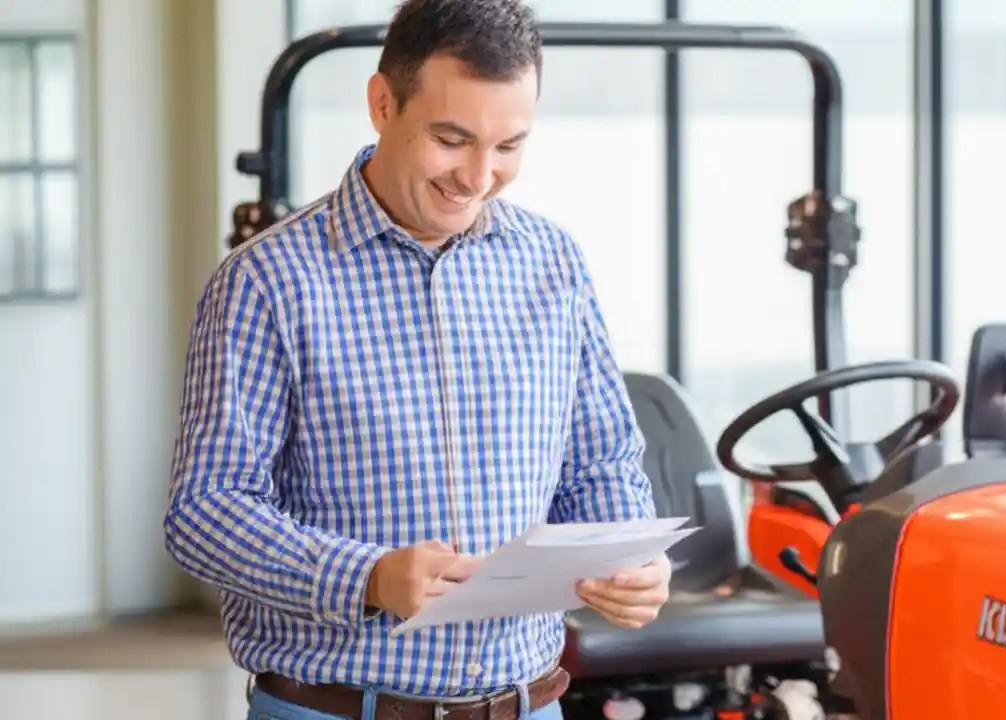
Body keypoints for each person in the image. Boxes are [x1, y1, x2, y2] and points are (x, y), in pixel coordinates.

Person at [162, 1, 671, 717]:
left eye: (509, 146)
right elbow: (205, 512)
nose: (478, 176)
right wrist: (365, 577)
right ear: (382, 103)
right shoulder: (267, 282)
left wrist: (628, 560)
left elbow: (600, 462)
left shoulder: (554, 263)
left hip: (529, 704)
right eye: (451, 139)